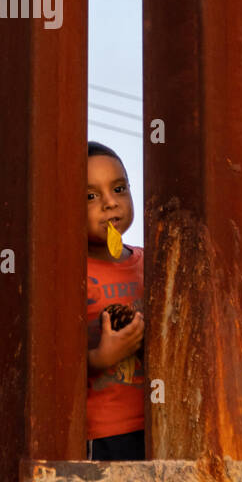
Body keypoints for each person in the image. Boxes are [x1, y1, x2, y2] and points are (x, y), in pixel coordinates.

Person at [86, 142, 145, 460]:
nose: (110, 204)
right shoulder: (63, 275)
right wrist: (101, 357)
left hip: (157, 426)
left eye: (119, 188)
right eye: (91, 196)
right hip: (101, 433)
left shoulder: (152, 265)